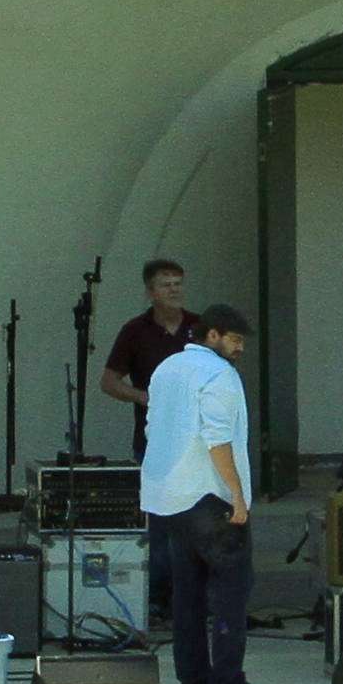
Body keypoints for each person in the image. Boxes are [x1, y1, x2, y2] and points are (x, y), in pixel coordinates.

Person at [141, 304, 266, 684]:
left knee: (187, 594)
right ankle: (228, 682)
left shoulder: (166, 369)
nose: (240, 348)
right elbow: (218, 440)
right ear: (212, 335)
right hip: (210, 496)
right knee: (231, 591)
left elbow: (151, 426)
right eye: (235, 339)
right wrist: (237, 496)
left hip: (169, 497)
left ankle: (192, 680)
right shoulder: (219, 375)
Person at [102, 260, 202, 620]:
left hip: (198, 439)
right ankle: (161, 599)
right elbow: (109, 381)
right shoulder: (135, 331)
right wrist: (143, 397)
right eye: (166, 285)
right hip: (155, 438)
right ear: (150, 291)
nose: (174, 290)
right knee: (160, 523)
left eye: (178, 283)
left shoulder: (199, 327)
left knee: (197, 519)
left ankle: (193, 597)